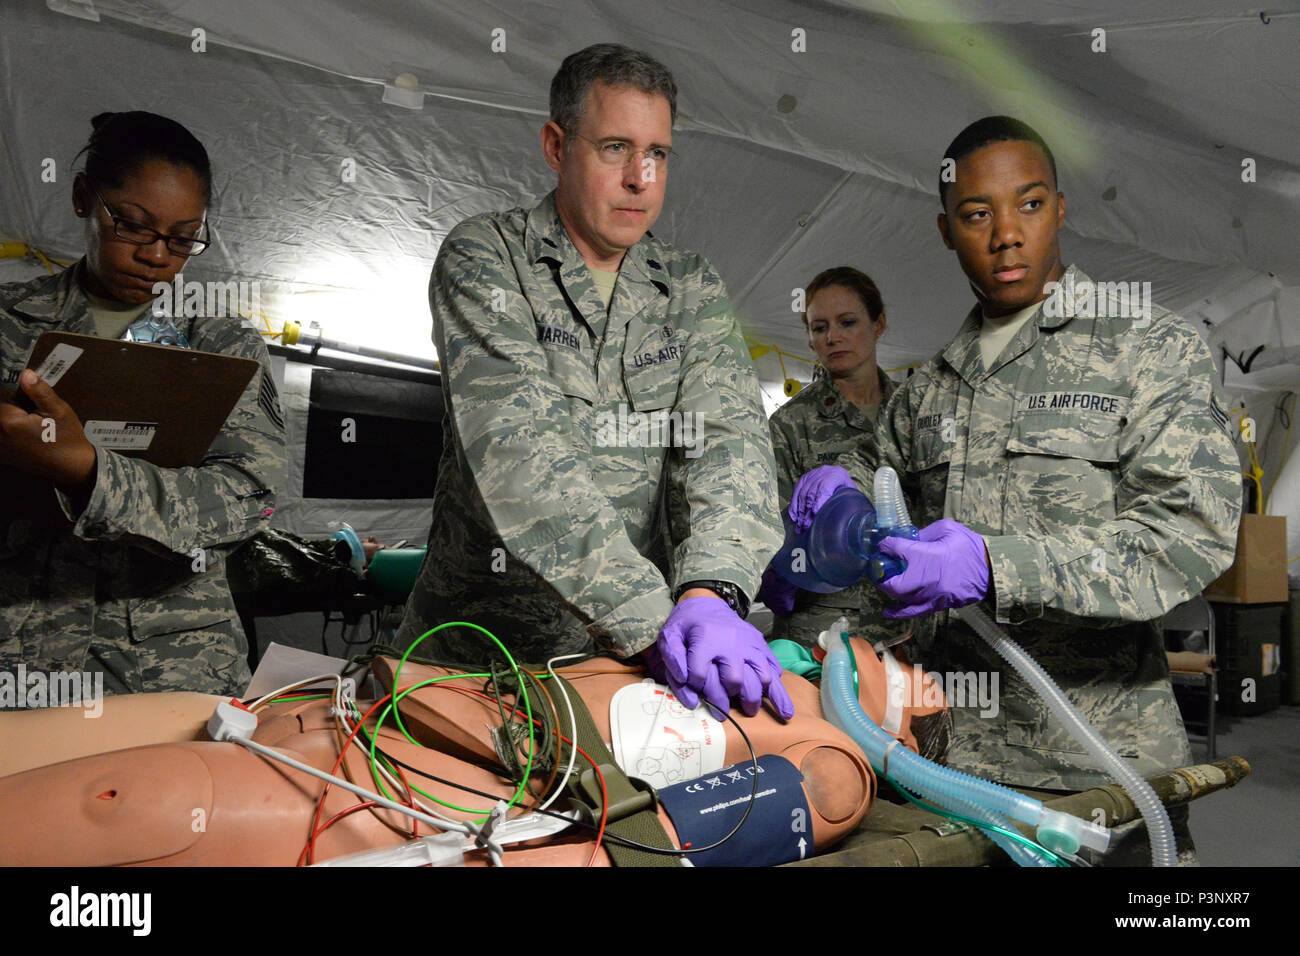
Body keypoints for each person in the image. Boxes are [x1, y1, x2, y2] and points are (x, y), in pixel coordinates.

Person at [791, 116, 1241, 862]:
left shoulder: (1147, 348)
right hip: (947, 770)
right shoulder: (928, 390)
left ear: (1059, 209)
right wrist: (836, 514)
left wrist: (996, 566)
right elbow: (881, 530)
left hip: (1100, 775)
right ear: (946, 230)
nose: (1006, 234)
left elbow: (1188, 538)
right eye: (977, 214)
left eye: (1029, 204)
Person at [397, 44, 791, 721]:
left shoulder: (690, 288)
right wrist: (656, 622)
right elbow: (519, 455)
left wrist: (710, 595)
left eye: (658, 153)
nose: (641, 179)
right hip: (475, 662)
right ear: (556, 146)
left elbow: (729, 445)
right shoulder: (487, 257)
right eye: (615, 149)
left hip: (621, 678)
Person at [0, 111, 285, 700]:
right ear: (83, 198)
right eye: (132, 226)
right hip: (18, 655)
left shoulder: (220, 345)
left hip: (167, 665)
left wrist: (89, 471)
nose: (158, 256)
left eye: (183, 238)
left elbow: (248, 498)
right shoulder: (8, 324)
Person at [762, 266, 906, 650]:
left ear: (878, 324)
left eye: (847, 322)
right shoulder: (791, 424)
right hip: (822, 631)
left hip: (905, 624)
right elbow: (770, 533)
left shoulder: (911, 410)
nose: (833, 337)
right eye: (819, 327)